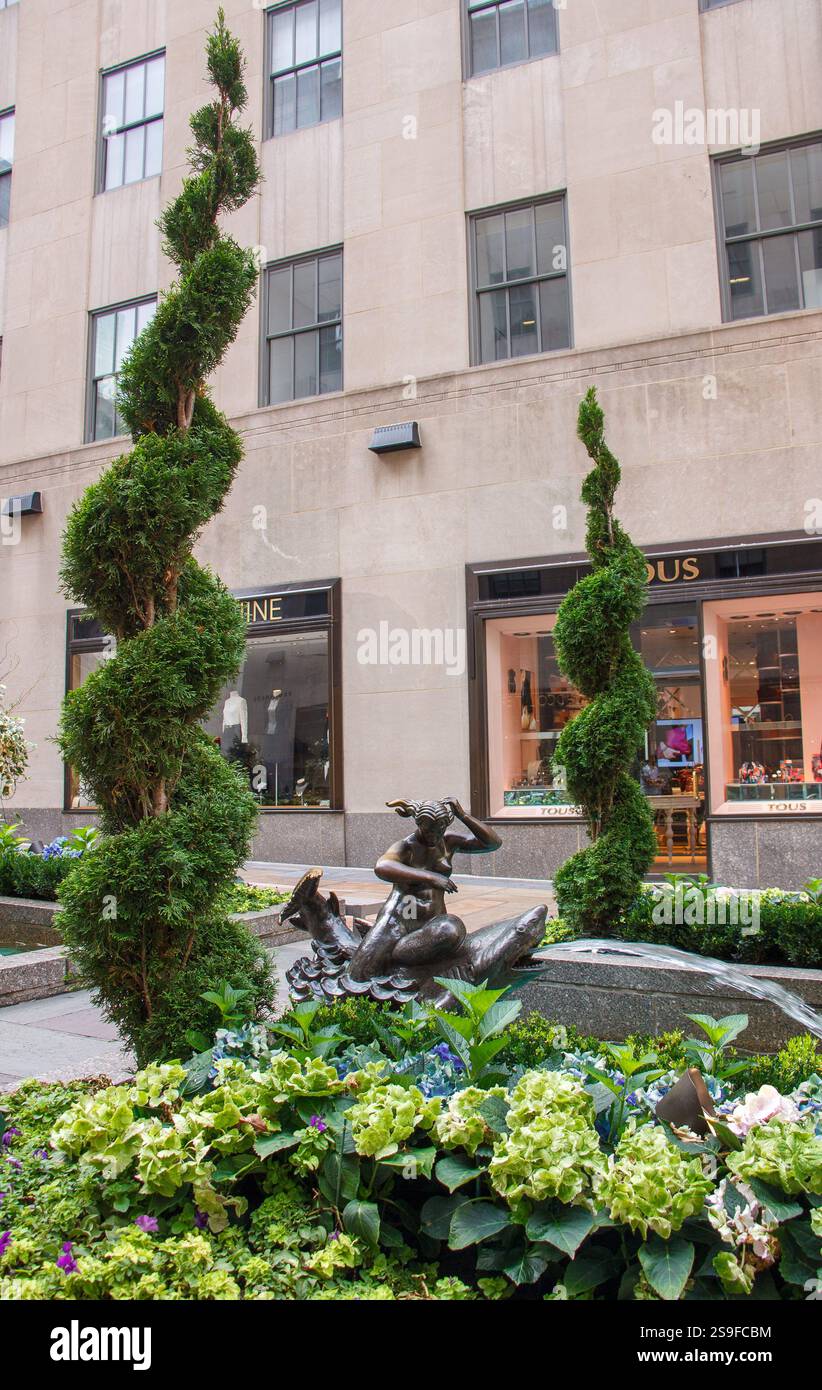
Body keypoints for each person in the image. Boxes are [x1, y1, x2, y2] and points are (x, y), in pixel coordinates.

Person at [348, 798, 501, 981]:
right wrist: (432, 877)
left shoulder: (448, 841)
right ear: (419, 823)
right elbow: (383, 866)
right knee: (360, 973)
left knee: (451, 933)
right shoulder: (406, 846)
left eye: (440, 830)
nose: (435, 836)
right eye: (429, 831)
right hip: (401, 916)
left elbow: (492, 842)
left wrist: (463, 815)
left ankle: (409, 971)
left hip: (432, 919)